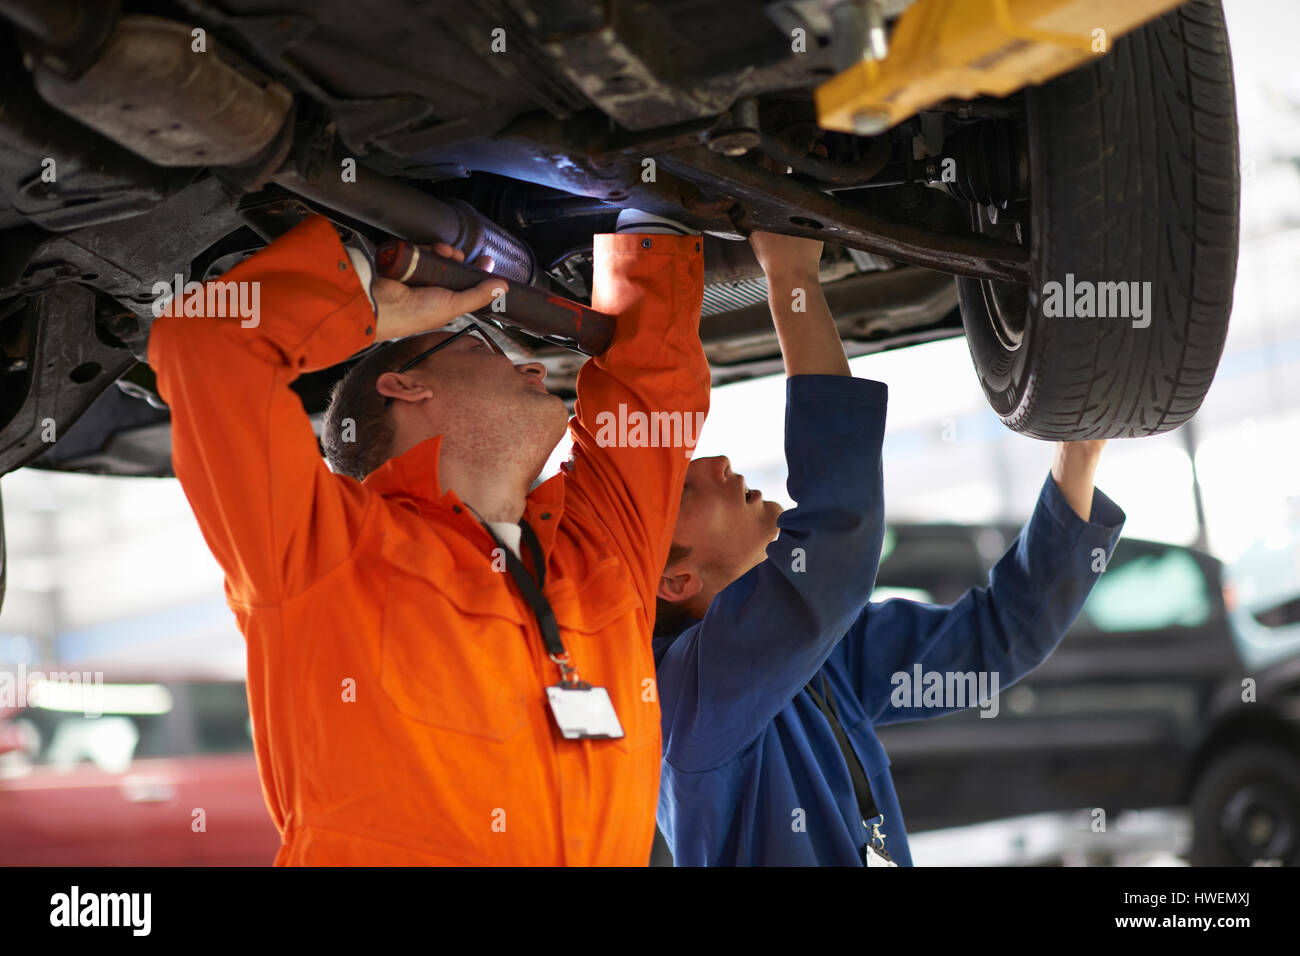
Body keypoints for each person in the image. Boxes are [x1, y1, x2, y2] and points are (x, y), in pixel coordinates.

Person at [148, 210, 708, 864]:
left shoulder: (594, 554)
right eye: (480, 347)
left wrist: (650, 206)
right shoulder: (321, 544)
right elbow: (205, 343)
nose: (533, 370)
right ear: (403, 385)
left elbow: (651, 386)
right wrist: (365, 301)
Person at [653, 232, 1126, 866]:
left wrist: (1079, 448)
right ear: (675, 581)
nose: (714, 461)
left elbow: (994, 640)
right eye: (685, 485)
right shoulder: (686, 703)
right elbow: (834, 543)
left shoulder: (815, 664)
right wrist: (790, 272)